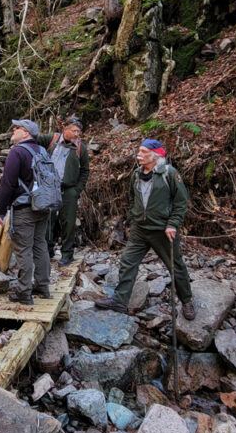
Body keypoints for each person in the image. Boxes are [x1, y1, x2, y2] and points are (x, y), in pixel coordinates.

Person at [95, 138, 196, 319]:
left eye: (143, 152)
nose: (139, 155)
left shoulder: (169, 174)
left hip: (163, 230)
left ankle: (187, 301)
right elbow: (132, 198)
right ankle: (119, 300)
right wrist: (135, 216)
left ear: (155, 155)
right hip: (140, 229)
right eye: (139, 151)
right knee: (127, 261)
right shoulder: (136, 174)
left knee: (175, 266)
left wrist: (173, 223)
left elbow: (181, 202)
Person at [0, 119, 51, 305]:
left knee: (23, 250)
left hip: (24, 208)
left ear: (26, 133)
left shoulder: (17, 152)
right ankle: (43, 286)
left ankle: (23, 292)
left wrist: (1, 211)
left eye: (17, 128)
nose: (13, 129)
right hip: (43, 206)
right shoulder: (43, 151)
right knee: (40, 246)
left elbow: (8, 184)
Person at [38, 115, 89, 267]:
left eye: (79, 132)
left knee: (68, 222)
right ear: (64, 129)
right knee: (49, 220)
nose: (77, 134)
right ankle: (48, 250)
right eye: (74, 131)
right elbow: (33, 140)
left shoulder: (81, 148)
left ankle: (67, 254)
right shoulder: (51, 139)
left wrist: (77, 189)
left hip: (69, 190)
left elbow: (85, 170)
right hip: (50, 187)